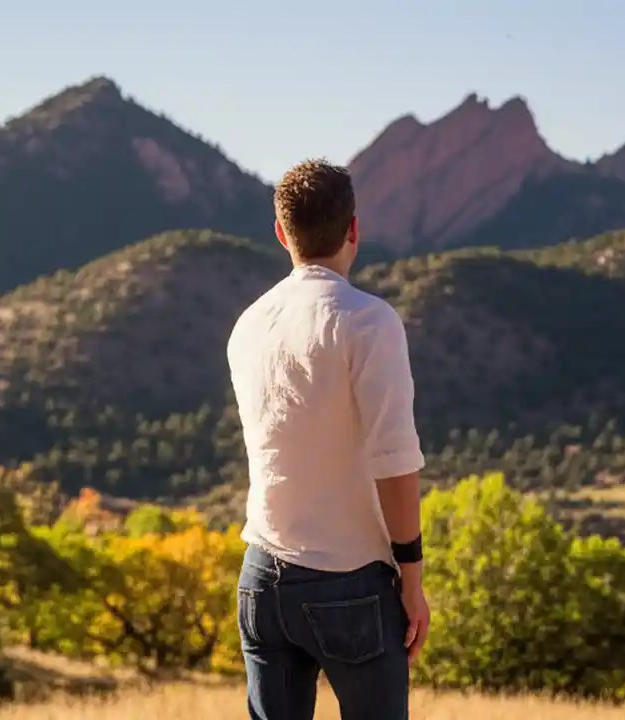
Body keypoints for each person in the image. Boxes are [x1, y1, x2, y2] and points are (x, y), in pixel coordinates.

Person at [227, 159, 429, 720]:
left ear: (281, 232)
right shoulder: (368, 322)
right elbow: (395, 462)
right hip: (349, 582)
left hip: (261, 575)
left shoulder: (249, 324)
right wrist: (412, 582)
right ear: (353, 229)